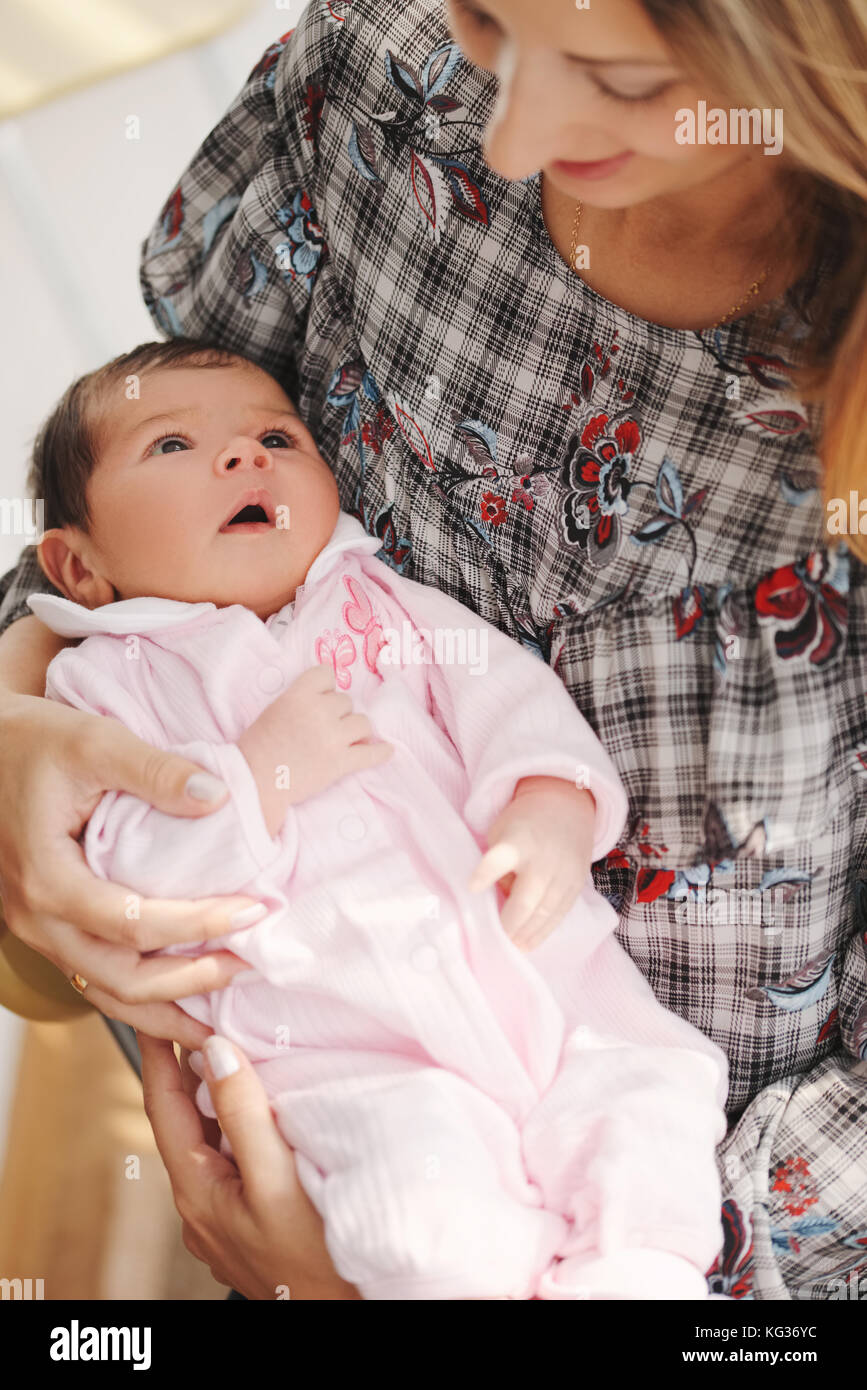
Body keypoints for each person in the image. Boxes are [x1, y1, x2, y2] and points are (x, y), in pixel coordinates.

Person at [0, 0, 864, 1300]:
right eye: (481, 25)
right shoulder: (385, 67)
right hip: (301, 1087)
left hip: (664, 1157)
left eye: (620, 81)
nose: (505, 139)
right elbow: (144, 452)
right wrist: (19, 716)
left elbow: (511, 708)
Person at [21, 340, 729, 1299]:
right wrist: (261, 776)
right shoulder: (101, 686)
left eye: (276, 435)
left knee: (654, 1096)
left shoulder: (378, 599)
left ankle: (636, 1273)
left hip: (543, 991)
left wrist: (550, 802)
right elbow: (125, 873)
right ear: (79, 565)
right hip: (342, 1056)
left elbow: (503, 695)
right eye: (174, 445)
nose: (245, 458)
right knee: (417, 1229)